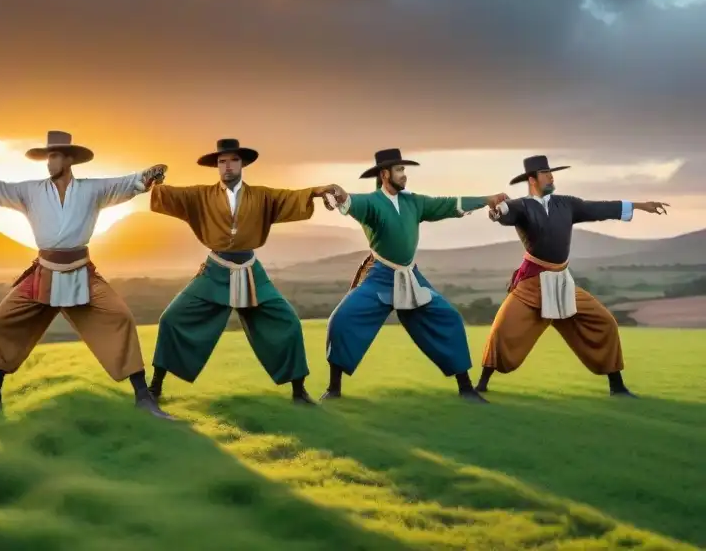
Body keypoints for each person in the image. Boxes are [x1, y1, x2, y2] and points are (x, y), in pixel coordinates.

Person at [0, 130, 174, 420]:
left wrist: (150, 175)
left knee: (120, 317)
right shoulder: (31, 191)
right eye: (47, 156)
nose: (49, 163)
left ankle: (143, 397)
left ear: (69, 159)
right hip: (43, 274)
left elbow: (127, 183)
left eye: (54, 156)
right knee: (2, 321)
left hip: (81, 273)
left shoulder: (91, 190)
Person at [146, 138, 345, 405]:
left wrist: (318, 190)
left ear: (243, 164)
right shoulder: (201, 196)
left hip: (251, 272)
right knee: (171, 318)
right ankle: (155, 387)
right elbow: (166, 195)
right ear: (217, 166)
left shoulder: (262, 196)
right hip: (215, 270)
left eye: (233, 160)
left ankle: (299, 392)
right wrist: (156, 180)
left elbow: (291, 197)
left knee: (288, 322)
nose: (227, 166)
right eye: (222, 161)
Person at [324, 148, 508, 403]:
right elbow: (351, 202)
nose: (404, 175)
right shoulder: (372, 202)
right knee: (342, 320)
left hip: (411, 277)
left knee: (450, 318)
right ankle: (334, 389)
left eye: (404, 170)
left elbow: (447, 204)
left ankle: (466, 388)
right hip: (379, 276)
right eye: (399, 170)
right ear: (385, 174)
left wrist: (487, 199)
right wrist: (341, 195)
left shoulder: (414, 202)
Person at [477, 155, 668, 397]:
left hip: (562, 282)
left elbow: (599, 208)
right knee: (503, 330)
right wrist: (496, 210)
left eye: (551, 173)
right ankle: (481, 384)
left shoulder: (567, 204)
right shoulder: (521, 206)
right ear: (532, 179)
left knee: (604, 322)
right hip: (531, 285)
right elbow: (503, 214)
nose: (551, 177)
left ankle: (617, 386)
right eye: (546, 174)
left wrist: (640, 205)